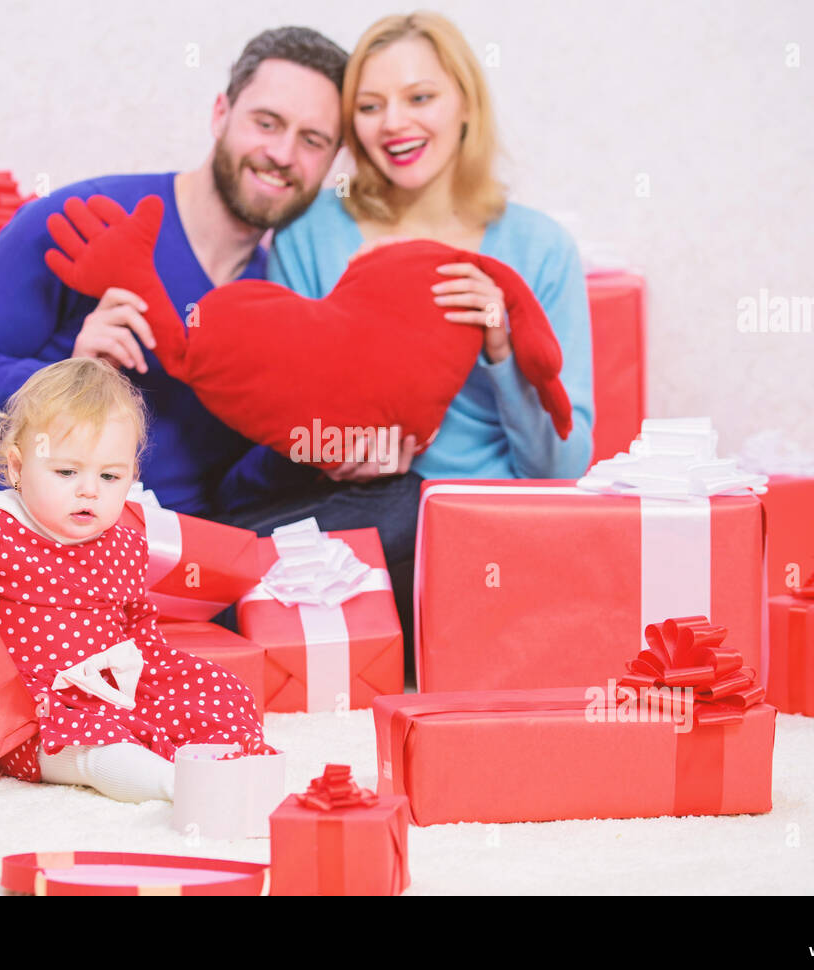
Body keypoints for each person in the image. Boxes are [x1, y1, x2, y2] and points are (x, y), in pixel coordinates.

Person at [206, 12, 596, 671]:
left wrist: (500, 349)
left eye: (420, 97)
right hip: (338, 505)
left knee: (420, 509)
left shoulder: (538, 247)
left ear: (465, 103)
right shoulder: (311, 235)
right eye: (370, 105)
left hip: (470, 528)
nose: (394, 124)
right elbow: (282, 403)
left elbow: (560, 469)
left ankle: (218, 593)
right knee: (260, 510)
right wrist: (336, 447)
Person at [0, 26, 350, 525]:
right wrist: (64, 379)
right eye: (267, 123)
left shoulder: (283, 301)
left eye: (312, 140)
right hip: (24, 534)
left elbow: (235, 488)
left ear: (333, 159)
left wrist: (314, 448)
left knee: (384, 504)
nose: (283, 154)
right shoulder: (87, 218)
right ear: (220, 114)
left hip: (170, 565)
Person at [0, 358, 276, 803]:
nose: (89, 490)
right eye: (67, 472)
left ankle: (224, 759)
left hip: (109, 681)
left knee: (221, 690)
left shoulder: (124, 544)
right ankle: (174, 785)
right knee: (95, 742)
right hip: (34, 701)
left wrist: (158, 677)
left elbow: (137, 627)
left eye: (110, 476)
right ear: (18, 467)